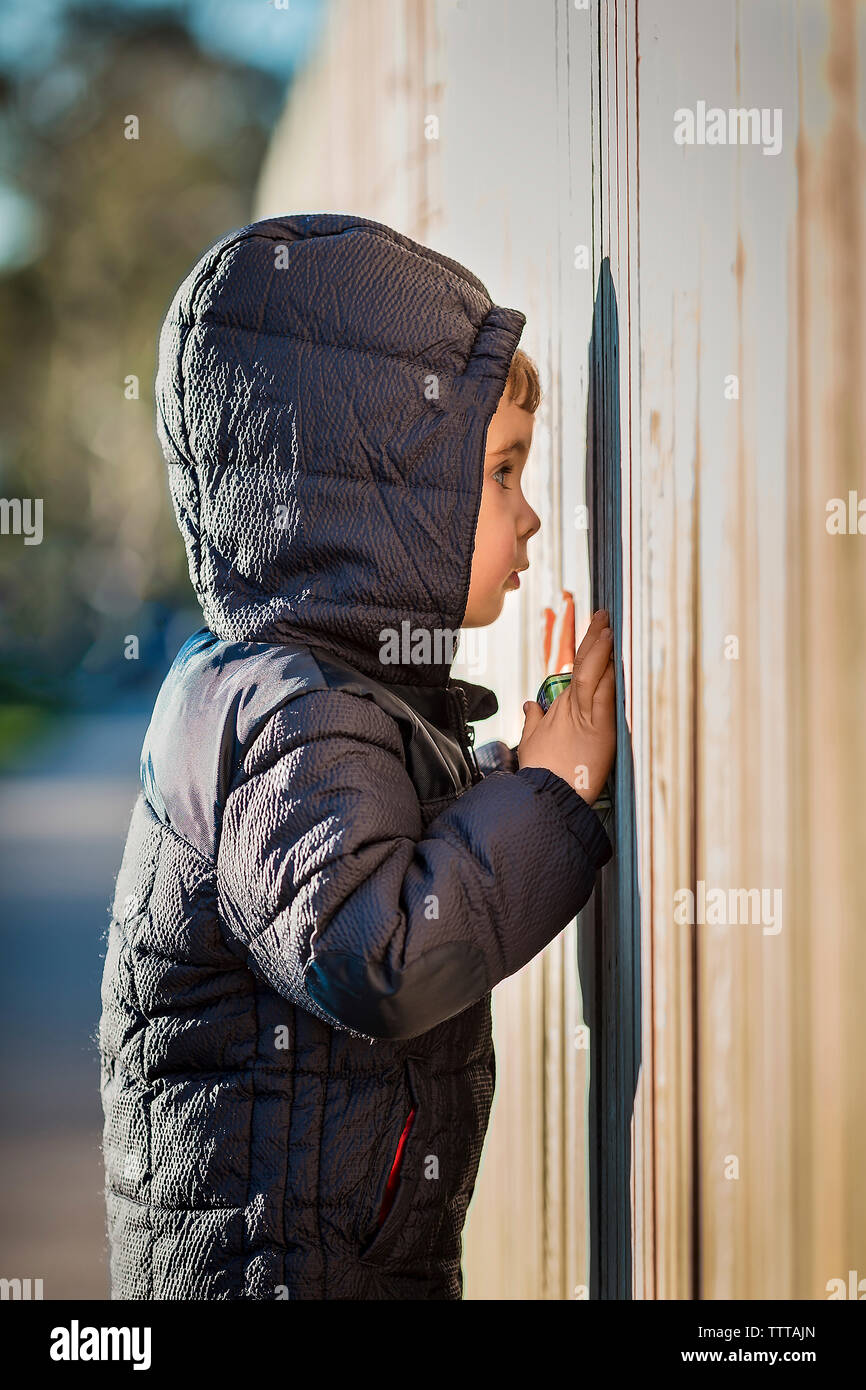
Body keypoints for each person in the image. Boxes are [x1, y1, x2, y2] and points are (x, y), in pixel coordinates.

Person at [98, 212, 616, 1301]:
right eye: (501, 473)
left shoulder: (312, 689)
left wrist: (511, 771)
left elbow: (376, 836)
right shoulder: (282, 714)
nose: (529, 518)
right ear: (375, 493)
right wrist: (548, 792)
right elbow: (376, 953)